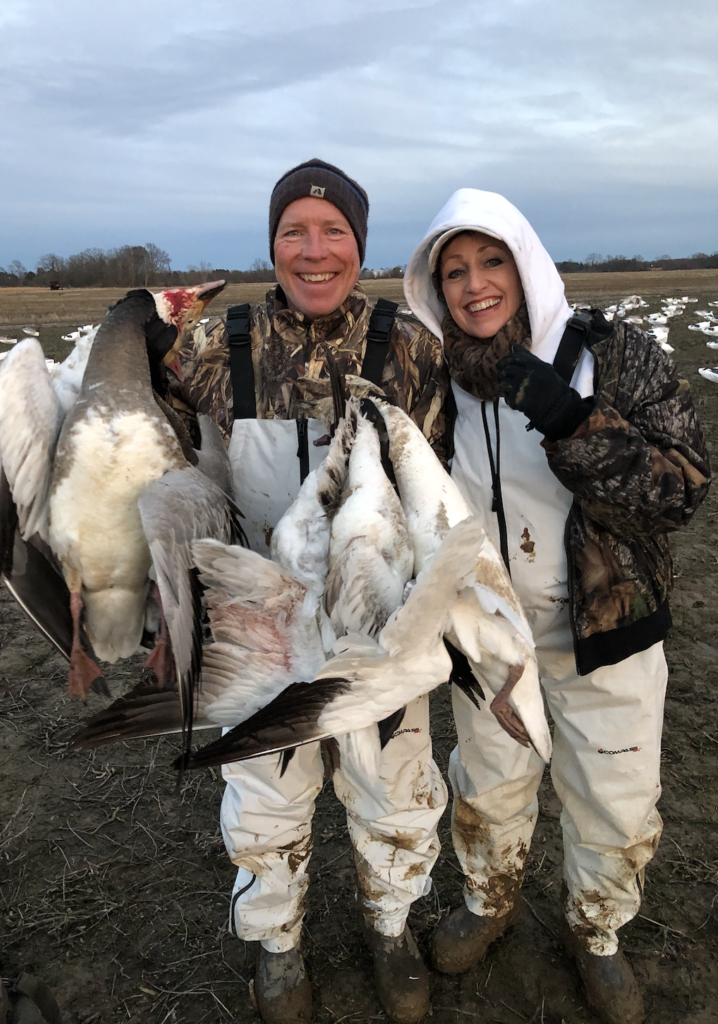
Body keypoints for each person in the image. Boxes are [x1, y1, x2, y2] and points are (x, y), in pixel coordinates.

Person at [402, 188, 711, 1024]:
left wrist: (571, 419)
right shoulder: (437, 381)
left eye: (490, 260)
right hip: (488, 644)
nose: (473, 285)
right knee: (489, 782)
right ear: (432, 289)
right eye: (453, 270)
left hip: (602, 635)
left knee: (613, 794)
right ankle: (489, 897)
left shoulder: (613, 357)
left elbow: (679, 491)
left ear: (525, 261)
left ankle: (597, 933)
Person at [166, 159, 450, 1024]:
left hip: (380, 626)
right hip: (264, 626)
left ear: (359, 247)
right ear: (272, 244)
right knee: (264, 797)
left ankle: (392, 927)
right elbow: (175, 480)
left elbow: (441, 491)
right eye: (294, 231)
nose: (314, 250)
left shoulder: (410, 348)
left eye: (334, 231)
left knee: (394, 786)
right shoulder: (217, 350)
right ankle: (278, 946)